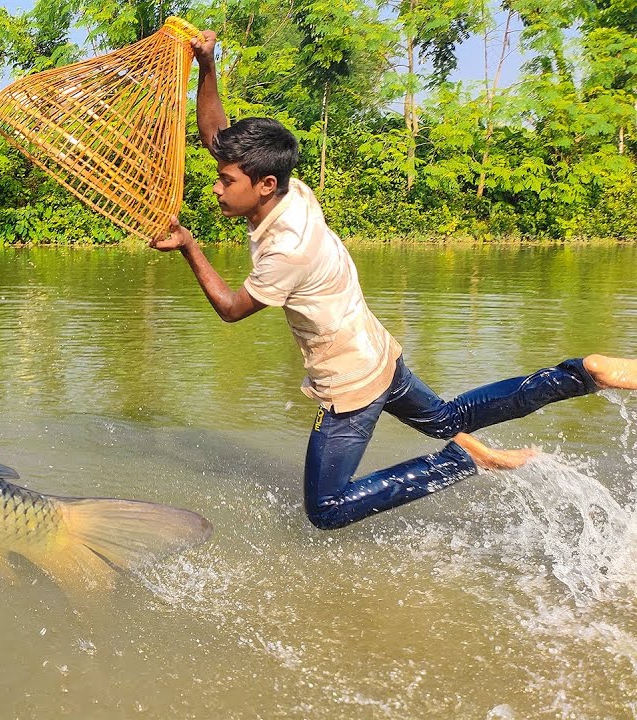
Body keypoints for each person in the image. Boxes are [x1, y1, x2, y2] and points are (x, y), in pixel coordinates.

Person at [151, 30, 637, 529]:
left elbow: (232, 310)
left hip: (350, 380)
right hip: (377, 350)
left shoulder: (289, 250)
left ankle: (459, 461)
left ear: (264, 185)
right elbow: (217, 136)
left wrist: (190, 246)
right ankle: (580, 374)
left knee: (326, 510)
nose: (216, 188)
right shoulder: (289, 191)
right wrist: (208, 65)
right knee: (451, 419)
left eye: (226, 181)